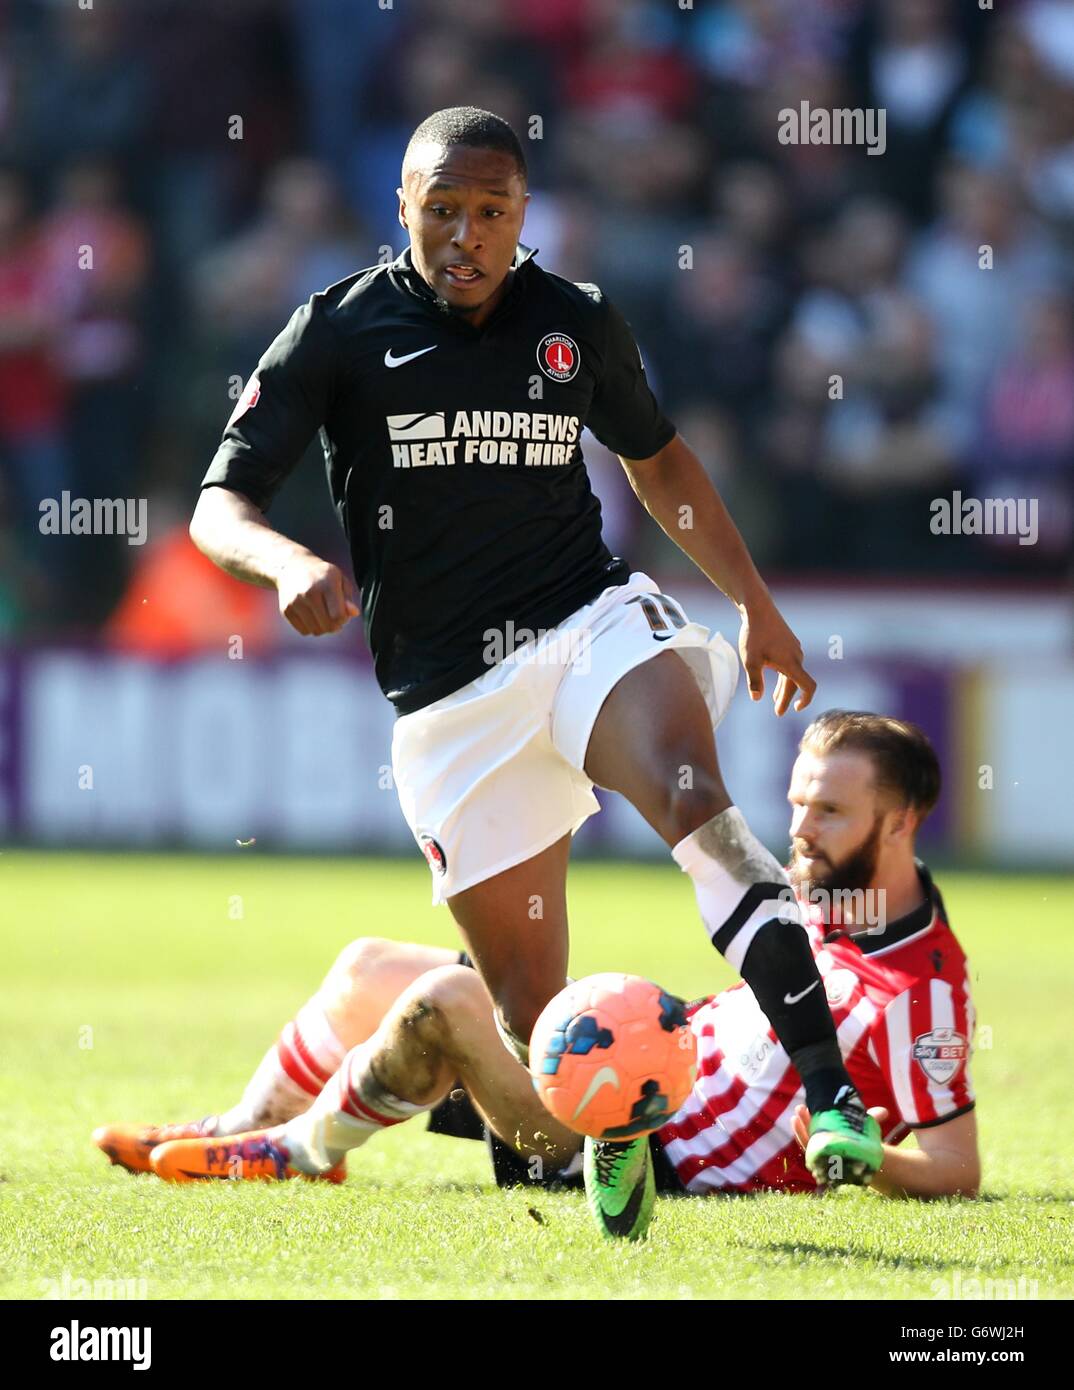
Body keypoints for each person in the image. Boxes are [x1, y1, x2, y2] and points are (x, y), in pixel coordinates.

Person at [187, 104, 880, 1237]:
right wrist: (279, 562)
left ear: (524, 218)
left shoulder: (576, 323)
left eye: (492, 213)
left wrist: (754, 605)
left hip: (585, 624)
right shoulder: (336, 330)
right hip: (449, 700)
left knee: (698, 807)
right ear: (401, 206)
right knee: (529, 1017)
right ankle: (587, 1141)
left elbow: (657, 459)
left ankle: (833, 1095)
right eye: (443, 210)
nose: (466, 235)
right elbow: (220, 502)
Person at [94, 714, 978, 1236]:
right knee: (368, 967)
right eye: (796, 805)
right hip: (630, 1064)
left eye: (830, 811)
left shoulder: (923, 989)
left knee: (446, 1000)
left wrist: (851, 1154)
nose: (802, 830)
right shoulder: (822, 897)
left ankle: (296, 1154)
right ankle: (241, 1129)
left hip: (645, 1152)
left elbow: (956, 1163)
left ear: (902, 822)